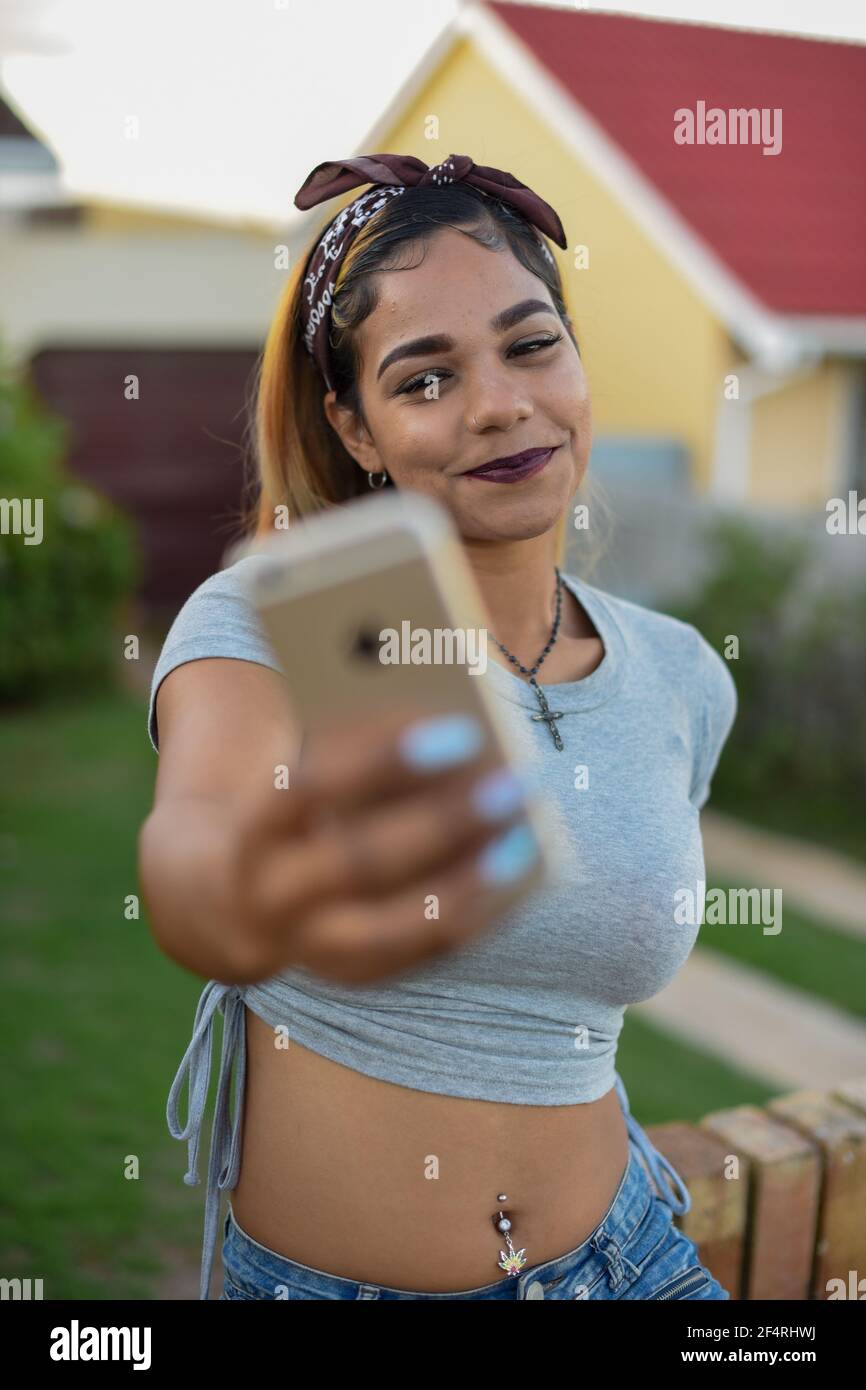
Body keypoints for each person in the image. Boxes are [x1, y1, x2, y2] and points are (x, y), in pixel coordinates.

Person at [138, 153, 737, 1302]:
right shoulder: (281, 617)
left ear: (574, 358)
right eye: (423, 380)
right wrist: (260, 880)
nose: (499, 404)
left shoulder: (679, 674)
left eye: (529, 344)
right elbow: (192, 848)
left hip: (628, 1261)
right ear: (354, 429)